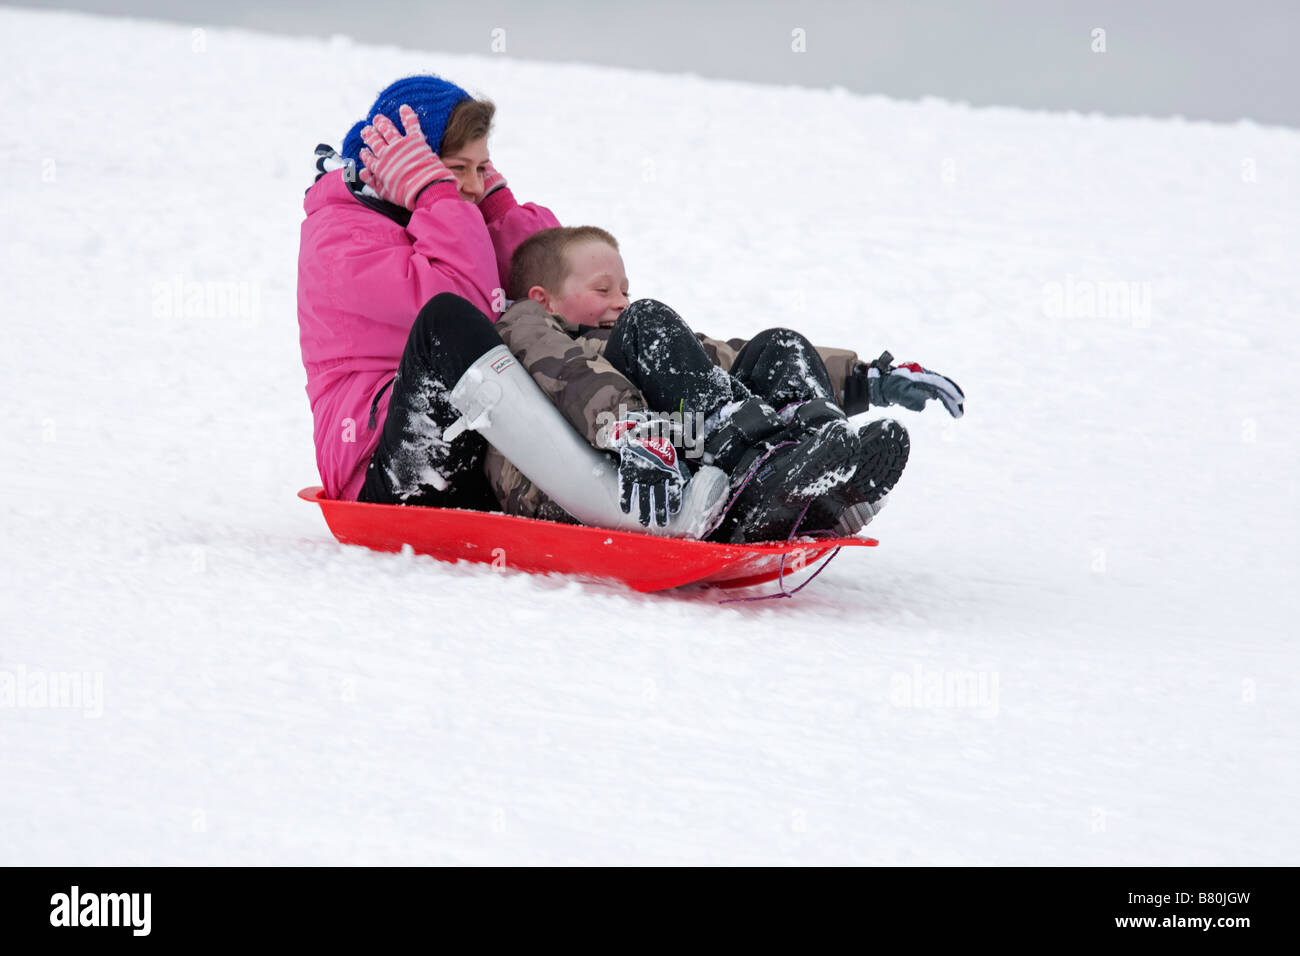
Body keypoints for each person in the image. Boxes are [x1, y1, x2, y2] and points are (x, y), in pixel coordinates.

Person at [488, 226, 966, 542]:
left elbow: (726, 357)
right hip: (613, 457)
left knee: (778, 346)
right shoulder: (529, 327)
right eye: (602, 289)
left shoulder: (626, 335)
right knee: (648, 319)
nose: (619, 300)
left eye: (624, 288)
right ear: (544, 299)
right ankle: (757, 473)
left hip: (682, 449)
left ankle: (818, 466)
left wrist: (869, 380)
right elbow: (572, 381)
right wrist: (633, 427)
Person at [297, 74, 560, 508]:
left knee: (570, 305)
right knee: (446, 321)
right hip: (383, 465)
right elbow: (465, 306)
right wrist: (440, 197)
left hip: (468, 438)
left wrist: (500, 212)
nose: (474, 186)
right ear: (404, 169)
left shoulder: (447, 219)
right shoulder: (342, 238)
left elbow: (555, 286)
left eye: (481, 169)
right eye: (457, 169)